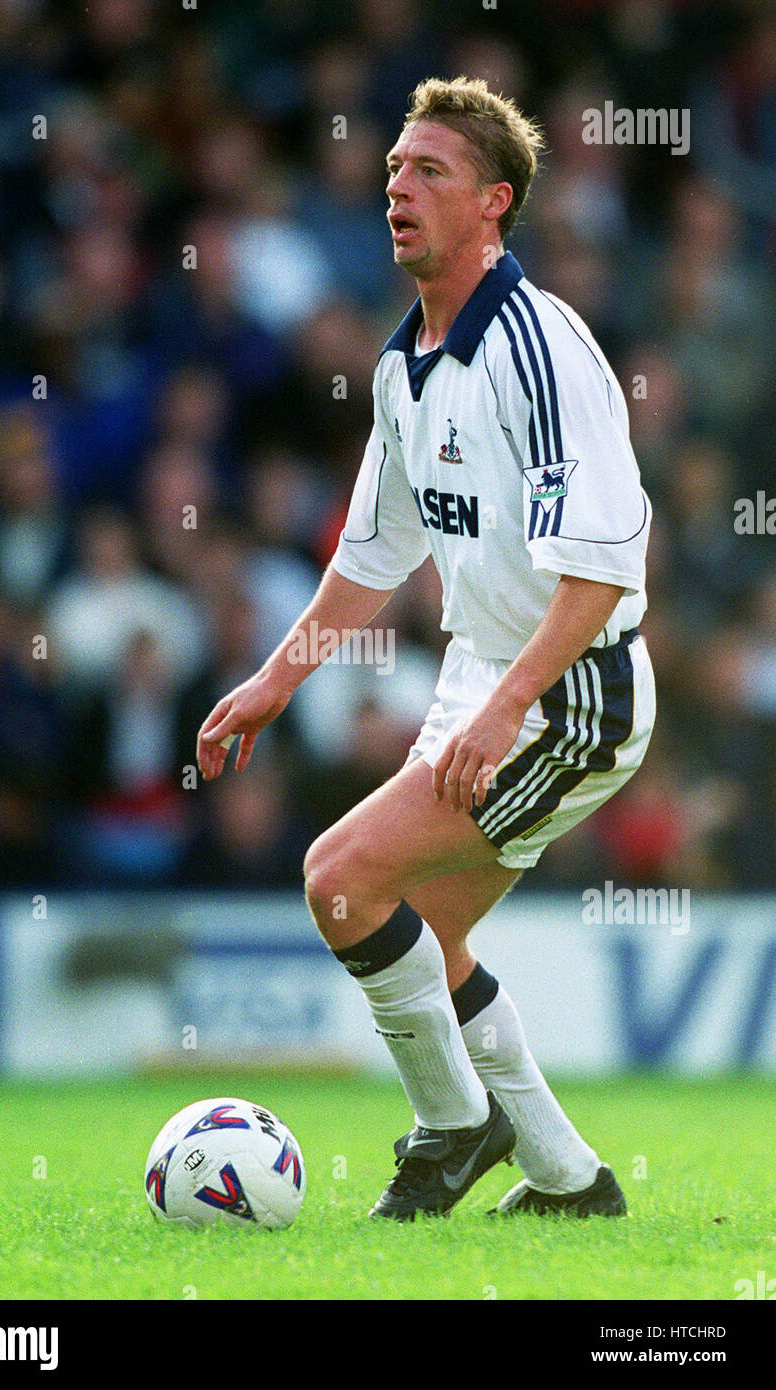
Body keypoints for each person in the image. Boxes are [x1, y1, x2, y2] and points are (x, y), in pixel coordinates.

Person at [198, 77, 655, 1222]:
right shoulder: (405, 361)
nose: (395, 187)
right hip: (490, 679)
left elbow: (600, 564)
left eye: (429, 172)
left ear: (493, 205)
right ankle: (567, 1183)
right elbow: (372, 553)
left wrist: (507, 706)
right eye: (394, 168)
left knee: (340, 881)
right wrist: (271, 678)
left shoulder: (538, 347)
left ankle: (455, 1127)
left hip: (571, 688)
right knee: (426, 935)